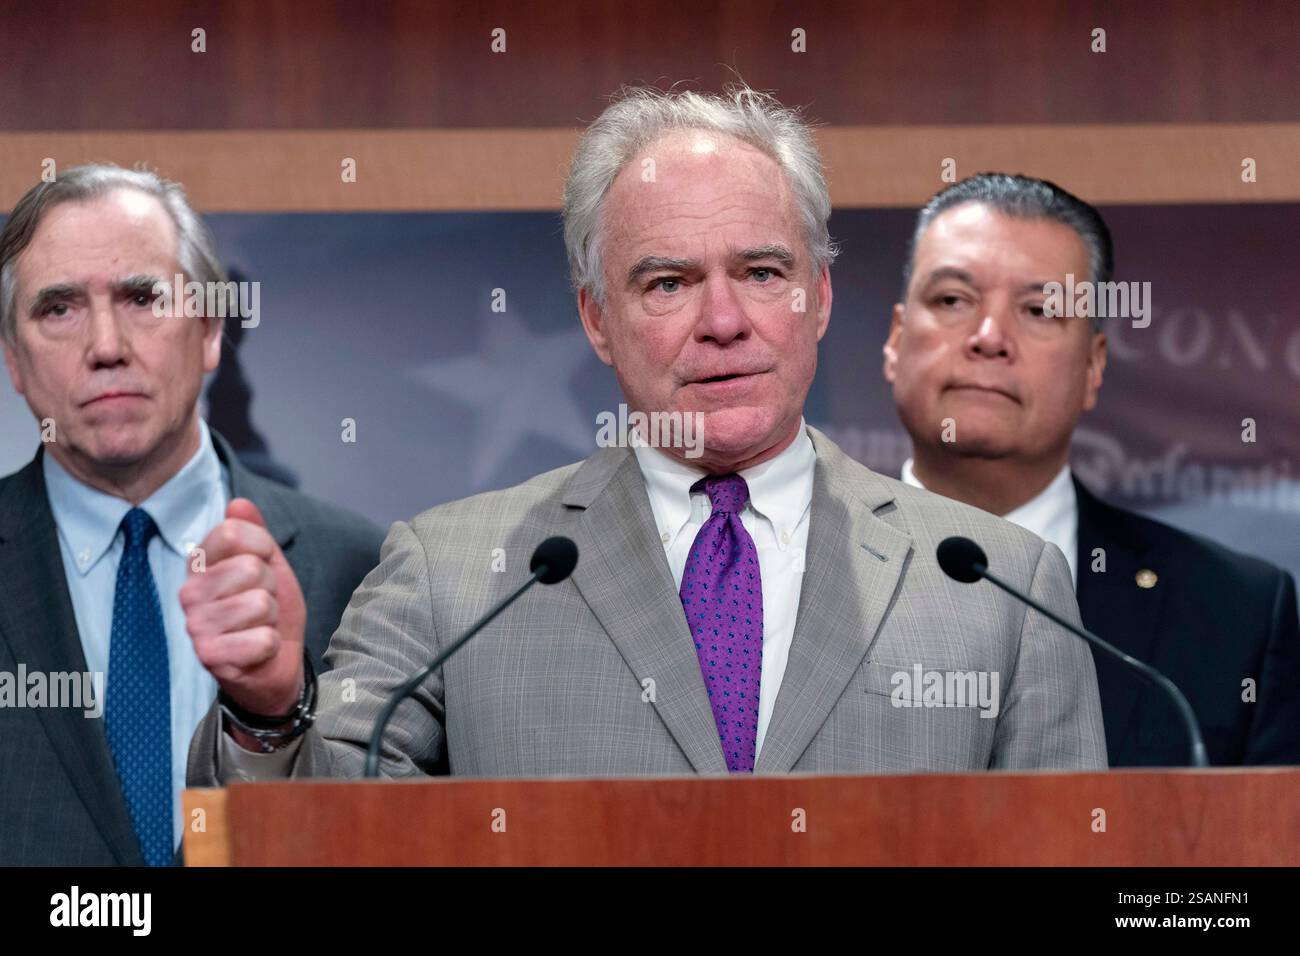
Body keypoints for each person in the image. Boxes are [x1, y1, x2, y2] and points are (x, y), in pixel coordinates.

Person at [186, 87, 1106, 787]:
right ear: (596, 318)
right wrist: (268, 712)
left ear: (817, 296)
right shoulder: (451, 572)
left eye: (760, 270)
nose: (722, 321)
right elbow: (326, 832)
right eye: (667, 282)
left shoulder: (1001, 588)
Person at [0, 165, 384, 865]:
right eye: (58, 309)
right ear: (13, 360)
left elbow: (382, 839)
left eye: (142, 297)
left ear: (209, 330)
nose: (106, 346)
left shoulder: (362, 567)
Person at [882, 172, 1300, 765]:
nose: (989, 337)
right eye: (952, 300)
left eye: (1039, 309)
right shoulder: (793, 572)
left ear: (1094, 366)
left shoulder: (1237, 614)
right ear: (897, 340)